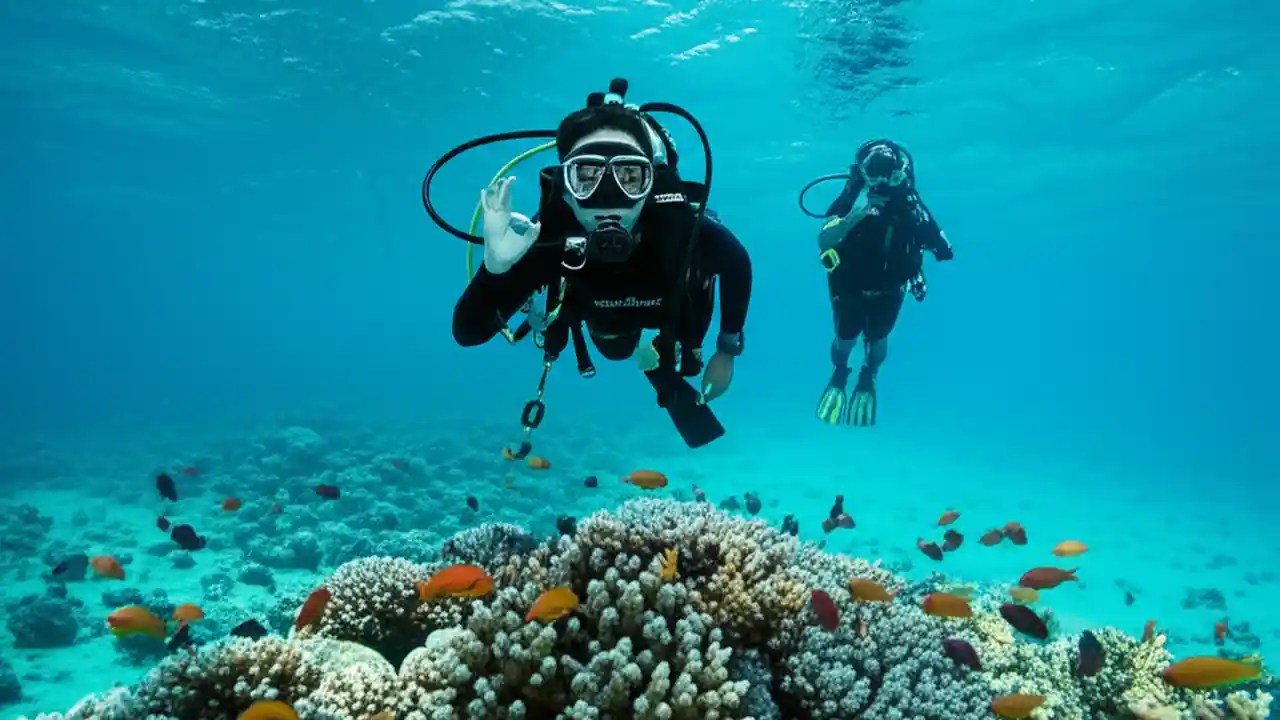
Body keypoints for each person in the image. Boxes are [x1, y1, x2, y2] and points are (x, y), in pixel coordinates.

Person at [448, 81, 752, 449]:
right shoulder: (546, 237)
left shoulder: (679, 225)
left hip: (673, 314)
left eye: (628, 176)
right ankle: (652, 363)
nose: (608, 197)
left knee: (651, 336)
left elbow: (736, 262)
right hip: (601, 318)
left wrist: (726, 350)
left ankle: (662, 365)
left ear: (651, 182)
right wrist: (495, 271)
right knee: (614, 347)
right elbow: (468, 332)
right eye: (587, 176)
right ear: (564, 187)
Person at [805, 139, 954, 426]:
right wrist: (856, 214)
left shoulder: (910, 205)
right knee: (845, 339)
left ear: (900, 175)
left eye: (891, 177)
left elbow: (943, 249)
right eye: (874, 177)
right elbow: (823, 239)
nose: (882, 185)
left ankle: (868, 375)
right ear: (863, 174)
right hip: (847, 284)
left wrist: (917, 225)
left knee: (877, 339)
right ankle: (839, 374)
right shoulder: (852, 198)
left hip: (889, 286)